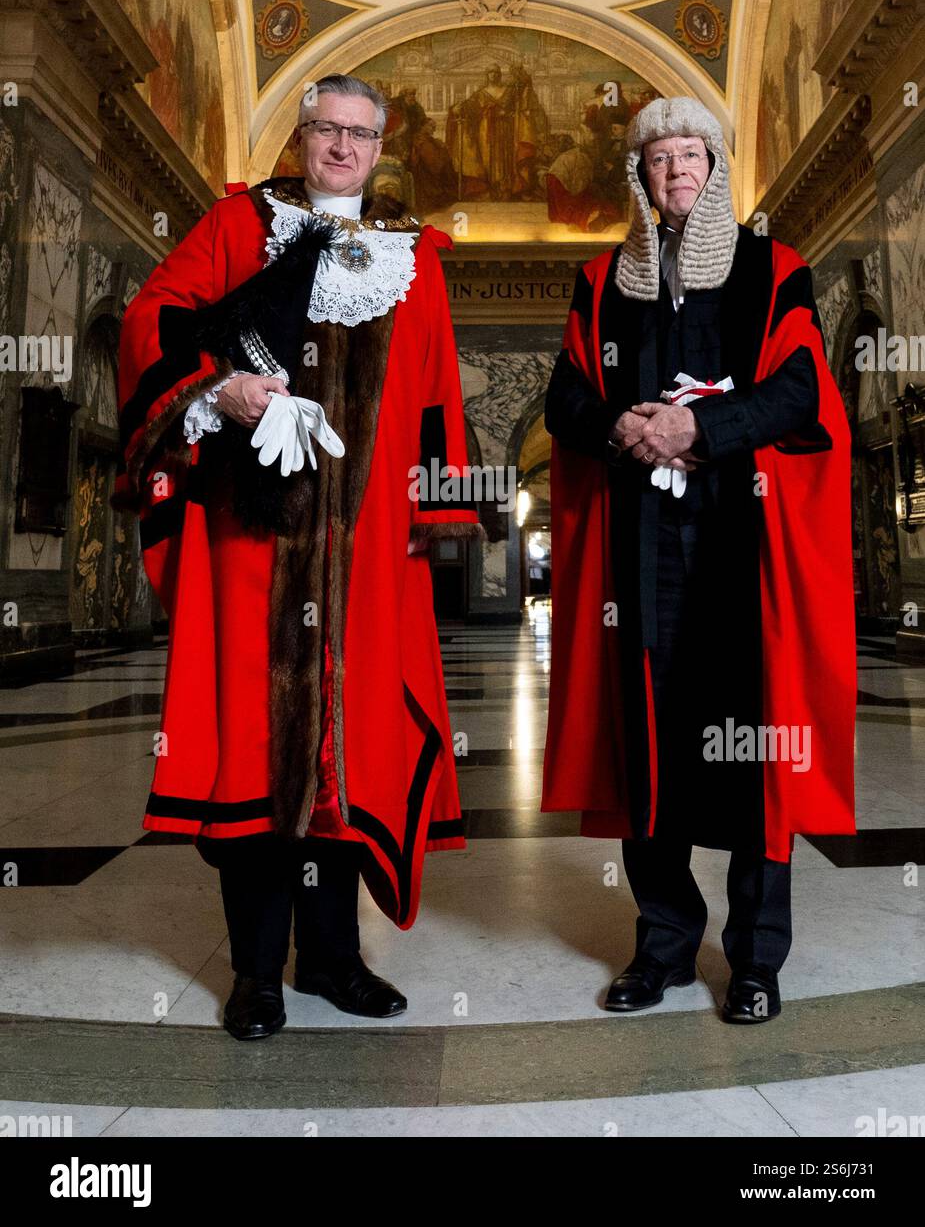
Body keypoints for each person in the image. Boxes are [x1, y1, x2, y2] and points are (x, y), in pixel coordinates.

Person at [114, 74, 482, 1039]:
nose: (342, 147)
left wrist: (438, 515)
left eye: (361, 134)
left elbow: (440, 391)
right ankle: (256, 975)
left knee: (348, 763)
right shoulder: (240, 224)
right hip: (251, 542)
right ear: (302, 135)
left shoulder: (415, 258)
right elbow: (153, 315)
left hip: (366, 564)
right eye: (326, 129)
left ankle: (330, 958)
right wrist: (220, 385)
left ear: (380, 147)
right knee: (254, 755)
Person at [542, 95, 855, 1023]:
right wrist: (622, 425)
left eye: (691, 155)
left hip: (743, 543)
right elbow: (564, 401)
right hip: (641, 550)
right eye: (658, 159)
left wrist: (700, 427)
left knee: (755, 749)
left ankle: (755, 960)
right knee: (649, 745)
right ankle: (665, 947)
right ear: (637, 177)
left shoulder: (773, 269)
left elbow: (799, 393)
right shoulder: (602, 281)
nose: (675, 171)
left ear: (715, 168)